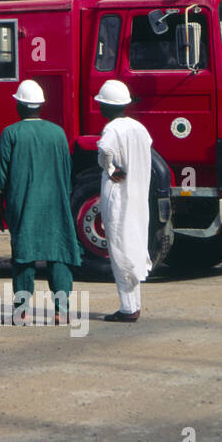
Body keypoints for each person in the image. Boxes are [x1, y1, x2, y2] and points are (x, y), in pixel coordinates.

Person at [0, 80, 82, 324]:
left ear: (19, 105)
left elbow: (2, 176)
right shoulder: (58, 133)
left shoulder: (10, 133)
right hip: (56, 204)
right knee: (59, 254)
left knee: (23, 256)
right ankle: (61, 310)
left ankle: (22, 310)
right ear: (41, 105)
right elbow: (67, 173)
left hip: (23, 204)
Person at [94, 79, 153, 322]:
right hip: (138, 195)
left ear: (106, 106)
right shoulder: (139, 128)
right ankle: (134, 304)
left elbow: (106, 150)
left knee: (119, 248)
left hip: (119, 196)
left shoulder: (112, 129)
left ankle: (128, 308)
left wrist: (109, 168)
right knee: (135, 245)